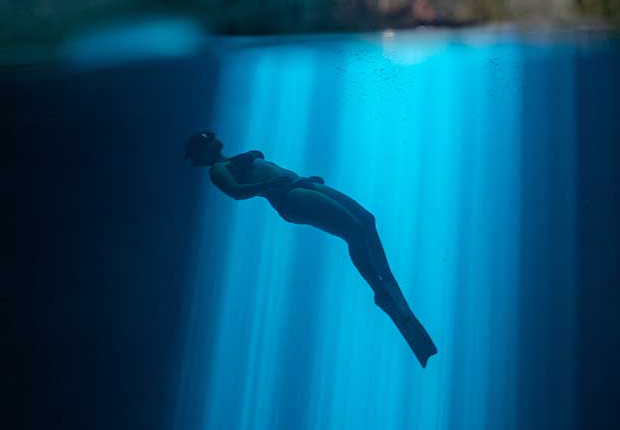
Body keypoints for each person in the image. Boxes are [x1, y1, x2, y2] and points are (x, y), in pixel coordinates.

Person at [184, 130, 437, 368]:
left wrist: (292, 181)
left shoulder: (234, 160)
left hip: (302, 184)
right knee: (355, 231)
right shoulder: (218, 169)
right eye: (206, 139)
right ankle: (380, 291)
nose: (213, 137)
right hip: (289, 197)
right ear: (202, 153)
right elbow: (237, 192)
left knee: (367, 221)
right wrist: (267, 187)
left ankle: (387, 281)